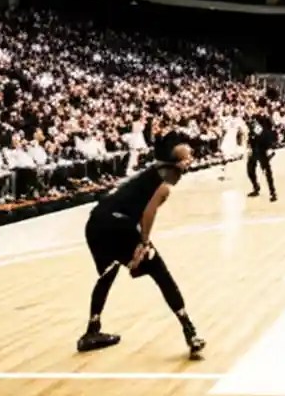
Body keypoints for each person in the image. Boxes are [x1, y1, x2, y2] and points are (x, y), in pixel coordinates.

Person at [77, 142, 206, 358]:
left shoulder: (149, 172)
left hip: (95, 223)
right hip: (115, 225)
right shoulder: (164, 184)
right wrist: (143, 242)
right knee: (160, 272)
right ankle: (190, 332)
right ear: (180, 163)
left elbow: (130, 205)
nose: (192, 158)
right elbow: (148, 212)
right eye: (189, 156)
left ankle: (92, 331)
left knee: (108, 274)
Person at [247, 108, 277, 201]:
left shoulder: (266, 120)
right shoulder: (255, 119)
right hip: (256, 147)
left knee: (266, 171)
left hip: (262, 148)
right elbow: (251, 134)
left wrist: (270, 147)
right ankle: (257, 187)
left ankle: (272, 192)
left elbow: (271, 133)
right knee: (251, 169)